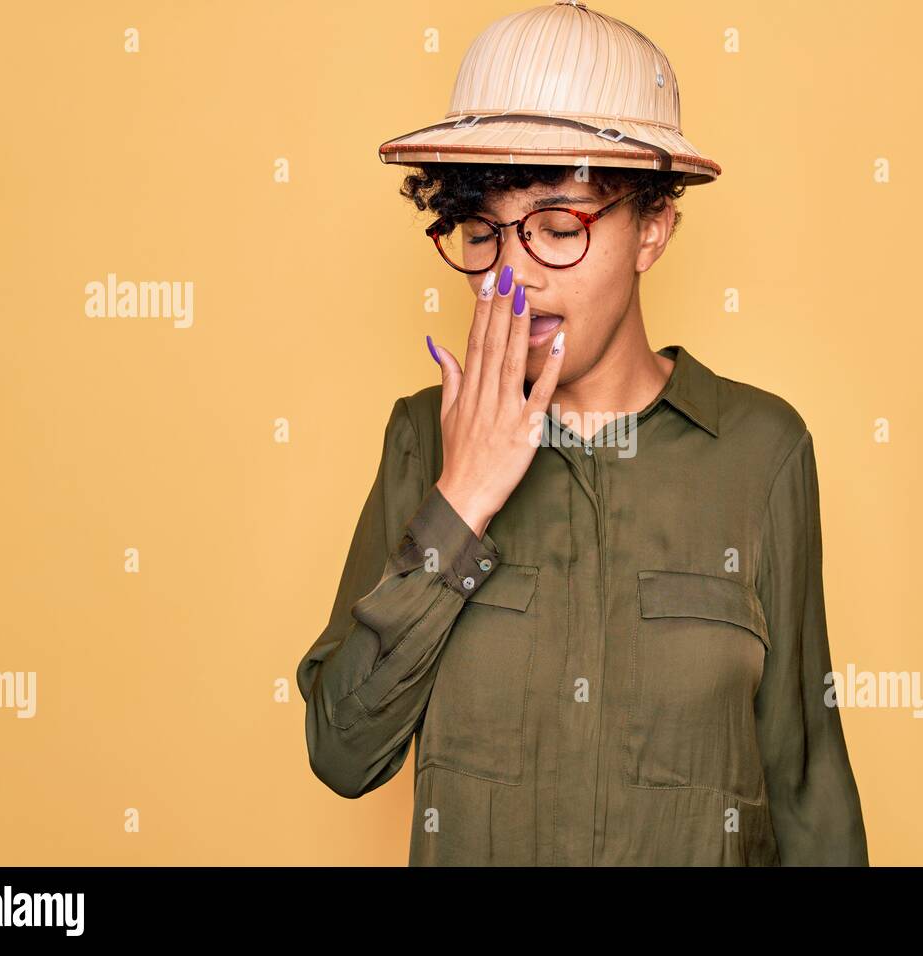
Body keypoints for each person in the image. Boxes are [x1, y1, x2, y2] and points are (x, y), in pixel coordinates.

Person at [296, 0, 869, 866]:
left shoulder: (763, 451)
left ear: (653, 227)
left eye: (559, 229)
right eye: (483, 232)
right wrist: (464, 499)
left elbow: (807, 786)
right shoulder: (423, 437)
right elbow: (343, 751)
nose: (512, 276)